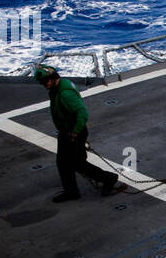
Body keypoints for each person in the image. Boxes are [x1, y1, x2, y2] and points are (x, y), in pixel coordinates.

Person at [33, 64, 119, 201]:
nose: (44, 85)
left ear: (54, 78)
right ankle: (71, 191)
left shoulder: (65, 94)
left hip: (73, 132)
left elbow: (82, 113)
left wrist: (75, 133)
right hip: (67, 132)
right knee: (63, 163)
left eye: (45, 81)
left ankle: (109, 178)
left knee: (77, 164)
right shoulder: (60, 86)